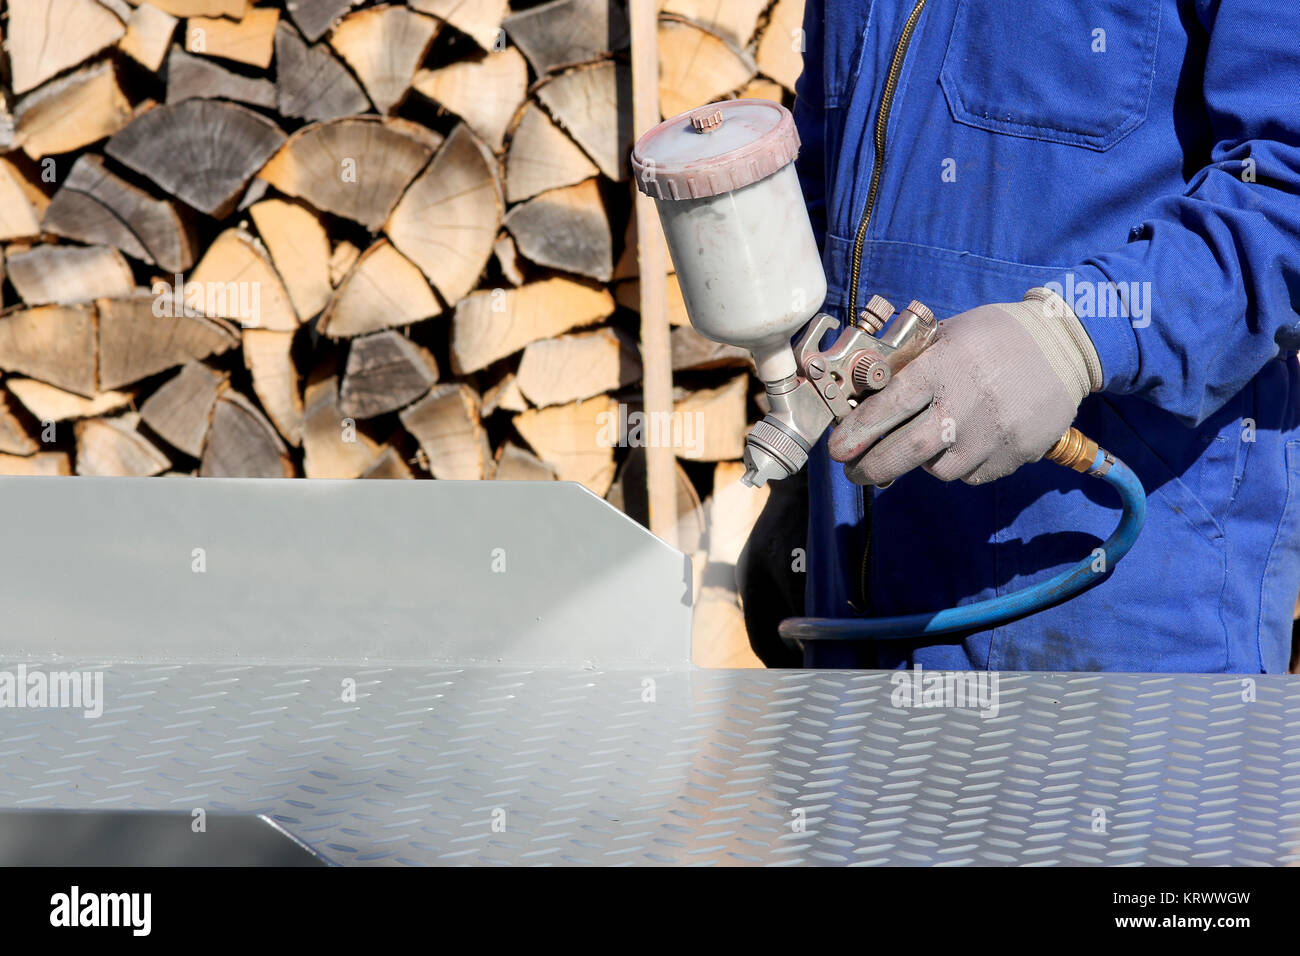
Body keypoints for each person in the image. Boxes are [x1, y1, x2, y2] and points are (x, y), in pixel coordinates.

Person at [738, 0, 1300, 672]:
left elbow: (1285, 185)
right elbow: (836, 185)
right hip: (858, 593)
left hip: (1117, 600)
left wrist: (1075, 338)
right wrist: (802, 495)